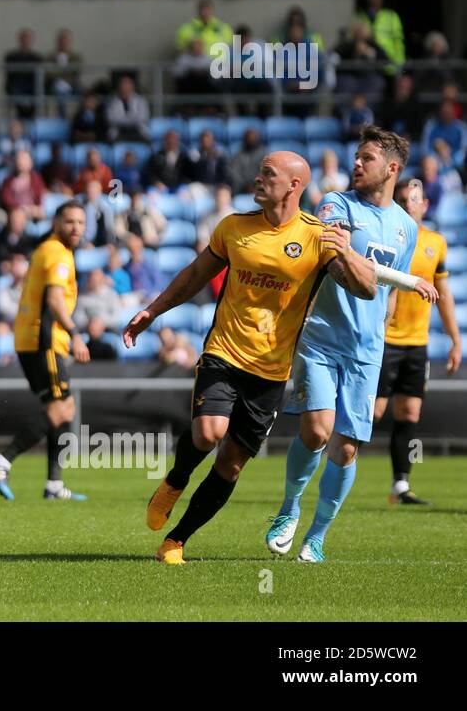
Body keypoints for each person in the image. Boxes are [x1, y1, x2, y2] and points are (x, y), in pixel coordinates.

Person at [122, 150, 377, 564]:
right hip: (224, 351)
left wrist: (347, 251)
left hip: (273, 372)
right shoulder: (234, 227)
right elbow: (193, 275)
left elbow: (367, 289)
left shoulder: (317, 236)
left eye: (268, 174)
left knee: (232, 465)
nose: (258, 179)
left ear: (294, 185)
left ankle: (176, 540)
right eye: (259, 172)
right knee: (208, 433)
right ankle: (175, 479)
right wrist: (153, 310)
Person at [268, 129, 436, 563]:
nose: (357, 164)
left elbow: (386, 296)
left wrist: (382, 322)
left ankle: (317, 536)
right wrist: (399, 279)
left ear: (392, 169)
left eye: (367, 158)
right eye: (356, 157)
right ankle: (288, 509)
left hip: (367, 349)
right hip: (321, 339)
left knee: (345, 448)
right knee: (318, 430)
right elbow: (339, 261)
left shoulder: (404, 227)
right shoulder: (335, 204)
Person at [0, 201, 91, 502]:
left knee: (61, 410)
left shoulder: (50, 249)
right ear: (56, 223)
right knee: (62, 409)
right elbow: (55, 300)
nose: (76, 228)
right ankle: (2, 461)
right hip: (45, 342)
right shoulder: (57, 253)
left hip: (32, 339)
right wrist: (76, 335)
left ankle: (54, 485)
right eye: (70, 221)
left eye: (81, 222)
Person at [372, 179, 461, 505]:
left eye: (415, 200)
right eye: (404, 200)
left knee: (409, 413)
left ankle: (401, 486)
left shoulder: (436, 243)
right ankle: (337, 462)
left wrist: (454, 339)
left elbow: (444, 294)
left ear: (424, 205)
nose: (410, 204)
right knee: (374, 412)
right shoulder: (388, 237)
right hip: (386, 340)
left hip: (417, 343)